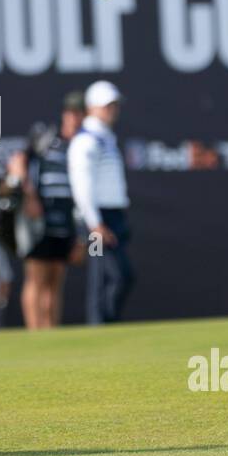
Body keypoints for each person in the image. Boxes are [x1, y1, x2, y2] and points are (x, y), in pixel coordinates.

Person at [9, 91, 85, 329]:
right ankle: (35, 333)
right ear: (65, 114)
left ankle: (52, 332)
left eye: (81, 113)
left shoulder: (83, 144)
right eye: (72, 113)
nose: (76, 118)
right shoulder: (45, 137)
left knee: (55, 278)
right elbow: (17, 161)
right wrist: (29, 195)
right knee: (36, 278)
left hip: (66, 220)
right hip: (38, 218)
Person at [68, 80, 133, 324]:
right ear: (92, 108)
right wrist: (95, 223)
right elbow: (81, 186)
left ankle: (105, 323)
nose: (112, 110)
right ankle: (100, 324)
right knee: (110, 275)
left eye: (114, 105)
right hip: (97, 220)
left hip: (112, 216)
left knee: (108, 274)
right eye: (107, 105)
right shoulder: (86, 141)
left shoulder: (106, 138)